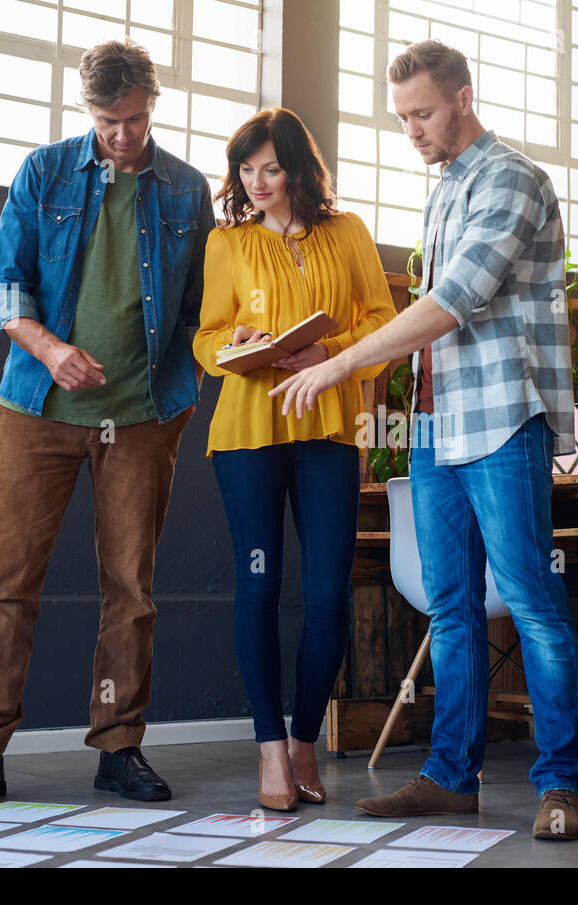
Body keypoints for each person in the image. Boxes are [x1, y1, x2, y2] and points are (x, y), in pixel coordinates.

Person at [269, 40, 578, 839]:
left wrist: (342, 365)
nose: (411, 129)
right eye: (402, 117)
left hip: (500, 420)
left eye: (423, 113)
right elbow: (420, 326)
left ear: (464, 98)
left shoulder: (512, 179)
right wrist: (328, 350)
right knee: (449, 609)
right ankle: (452, 776)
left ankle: (560, 785)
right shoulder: (443, 191)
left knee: (532, 604)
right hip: (435, 426)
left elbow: (453, 301)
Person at [0, 39, 214, 809]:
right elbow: (2, 283)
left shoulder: (188, 191)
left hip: (145, 417)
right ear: (87, 109)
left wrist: (184, 392)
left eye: (137, 118)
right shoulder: (43, 171)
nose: (123, 135)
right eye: (108, 119)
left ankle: (119, 746)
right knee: (6, 585)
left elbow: (201, 313)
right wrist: (50, 350)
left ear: (154, 103)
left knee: (132, 589)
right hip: (38, 408)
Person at [192, 108, 396, 811]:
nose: (256, 183)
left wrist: (330, 354)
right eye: (246, 171)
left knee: (328, 596)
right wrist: (236, 343)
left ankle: (307, 738)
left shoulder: (348, 232)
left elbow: (382, 324)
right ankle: (270, 751)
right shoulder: (229, 242)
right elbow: (206, 337)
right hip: (248, 432)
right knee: (259, 589)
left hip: (330, 430)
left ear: (299, 169)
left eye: (270, 169)